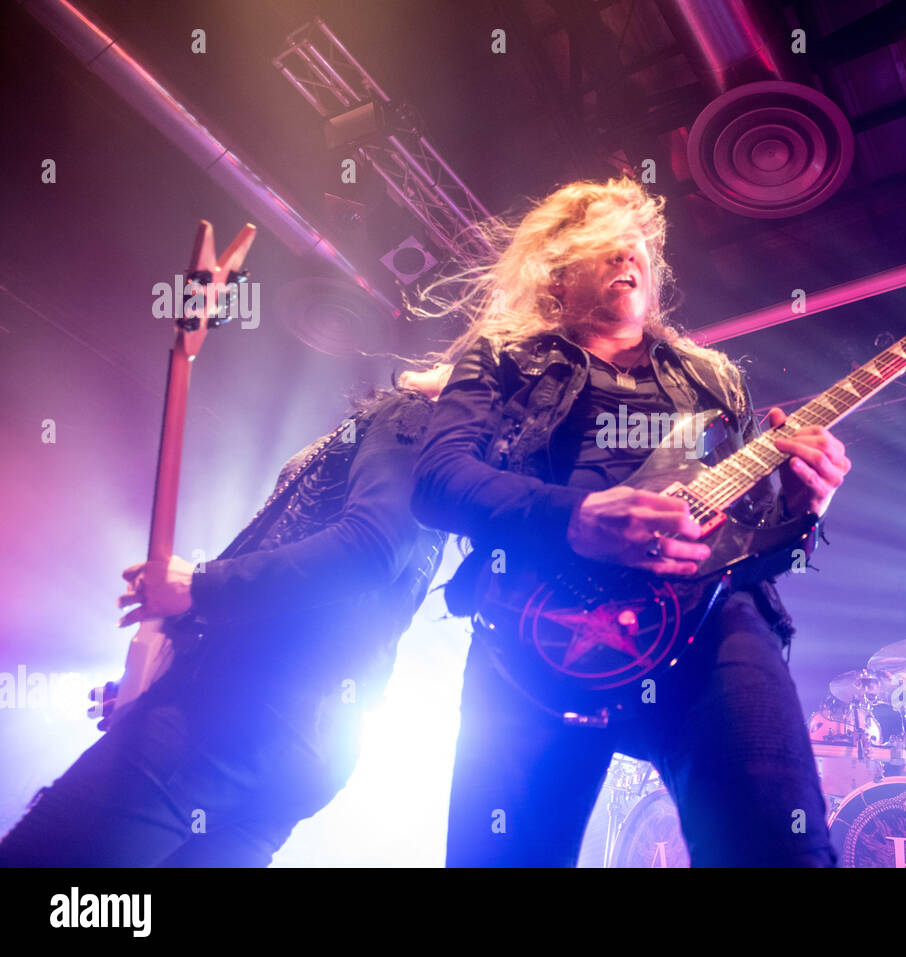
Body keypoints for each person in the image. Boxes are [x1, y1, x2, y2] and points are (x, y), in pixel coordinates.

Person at [411, 177, 851, 866]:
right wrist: (576, 518)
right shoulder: (504, 356)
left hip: (709, 621)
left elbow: (746, 546)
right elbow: (439, 480)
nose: (629, 257)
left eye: (639, 248)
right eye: (605, 247)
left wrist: (801, 507)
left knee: (777, 845)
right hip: (538, 620)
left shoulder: (712, 379)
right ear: (556, 278)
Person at [0, 370, 449, 867]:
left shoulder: (414, 415)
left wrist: (198, 585)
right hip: (309, 746)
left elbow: (368, 548)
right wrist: (151, 691)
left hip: (233, 712)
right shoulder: (441, 476)